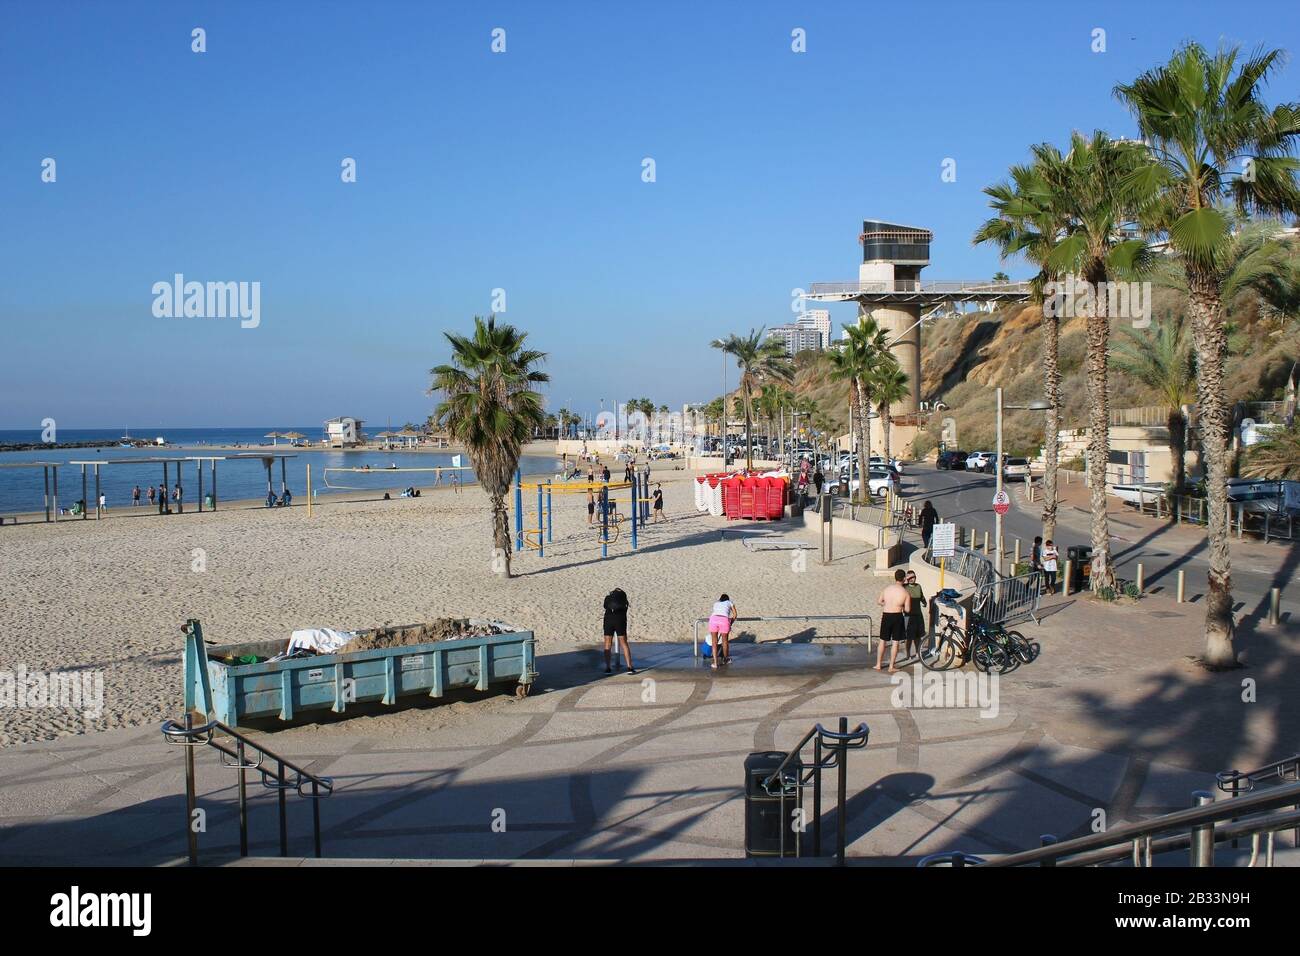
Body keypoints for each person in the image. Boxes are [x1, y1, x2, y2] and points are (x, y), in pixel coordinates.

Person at [875, 569, 912, 674]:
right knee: (895, 642)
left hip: (886, 615)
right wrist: (902, 606)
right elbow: (908, 610)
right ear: (904, 579)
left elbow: (879, 601)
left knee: (883, 640)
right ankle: (891, 666)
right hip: (897, 616)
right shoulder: (905, 593)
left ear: (895, 577)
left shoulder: (887, 589)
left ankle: (878, 664)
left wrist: (886, 604)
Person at [601, 587, 635, 675]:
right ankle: (629, 667)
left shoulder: (608, 598)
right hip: (620, 620)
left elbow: (605, 606)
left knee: (607, 644)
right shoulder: (624, 600)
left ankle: (607, 668)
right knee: (624, 643)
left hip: (608, 620)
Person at [707, 594, 737, 670]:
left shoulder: (716, 603)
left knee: (714, 642)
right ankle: (725, 659)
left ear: (720, 599)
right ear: (727, 599)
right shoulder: (729, 602)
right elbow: (735, 615)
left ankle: (715, 663)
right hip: (724, 620)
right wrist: (731, 622)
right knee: (725, 641)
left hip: (713, 619)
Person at [903, 570, 926, 662]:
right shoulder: (904, 587)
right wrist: (906, 579)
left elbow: (922, 597)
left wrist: (924, 602)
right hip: (908, 616)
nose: (912, 579)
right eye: (910, 577)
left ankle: (917, 652)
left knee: (918, 637)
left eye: (914, 577)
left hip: (918, 615)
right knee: (908, 637)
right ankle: (908, 653)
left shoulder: (918, 586)